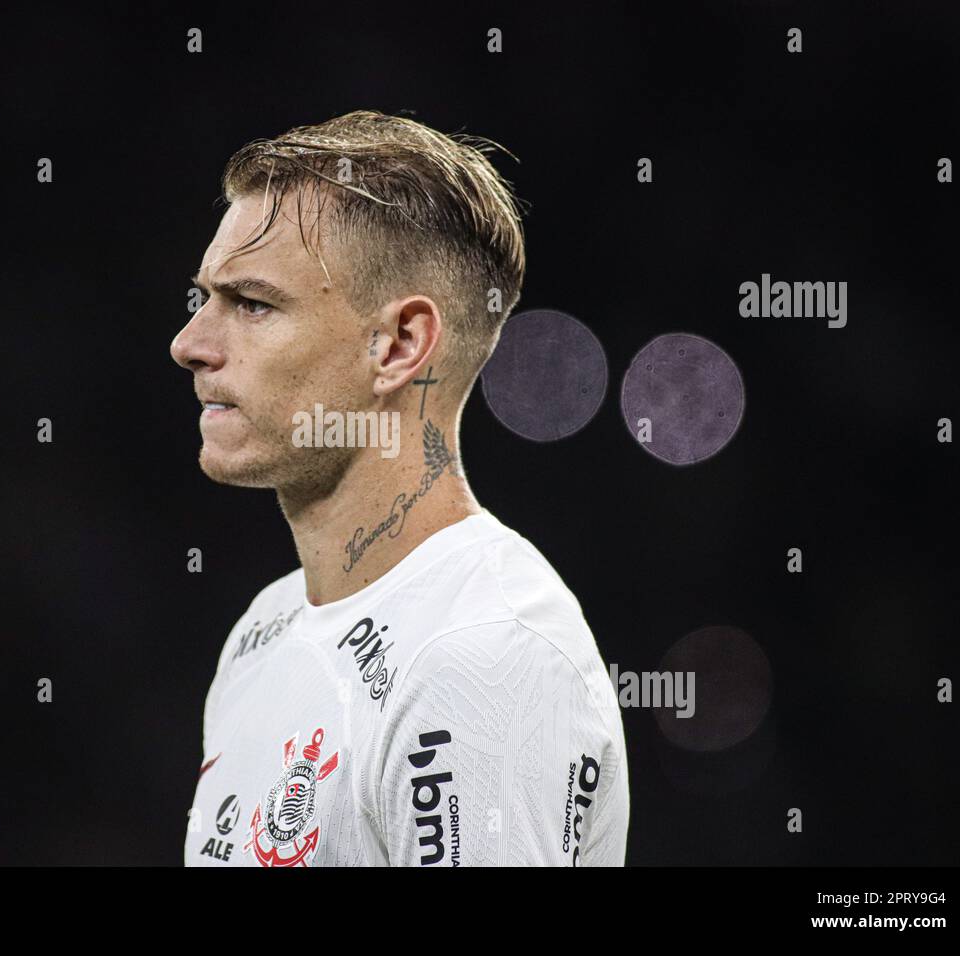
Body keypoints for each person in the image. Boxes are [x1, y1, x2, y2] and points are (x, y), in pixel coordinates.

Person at [171, 110, 628, 866]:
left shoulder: (483, 657)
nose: (190, 344)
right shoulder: (266, 628)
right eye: (204, 299)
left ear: (400, 346)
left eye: (251, 304)